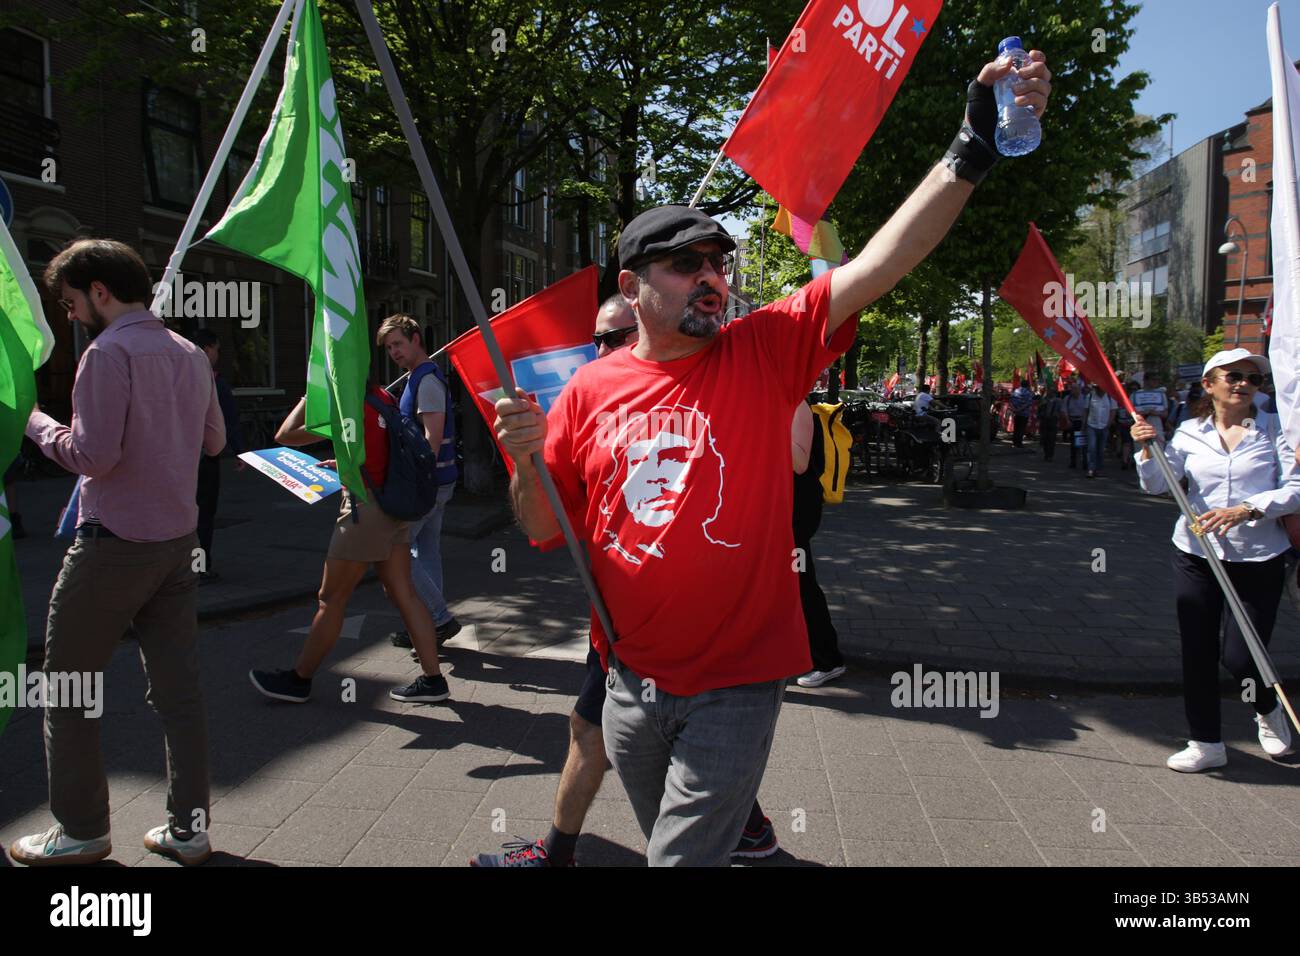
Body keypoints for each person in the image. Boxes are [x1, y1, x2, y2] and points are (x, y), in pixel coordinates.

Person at [494, 52, 1052, 865]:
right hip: (628, 683)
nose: (712, 279)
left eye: (718, 262)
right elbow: (546, 526)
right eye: (687, 265)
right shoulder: (585, 391)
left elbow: (879, 265)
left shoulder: (764, 349)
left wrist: (969, 148)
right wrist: (523, 459)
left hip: (737, 682)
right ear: (633, 283)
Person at [11, 239, 224, 866]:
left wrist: (34, 421)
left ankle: (81, 830)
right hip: (177, 546)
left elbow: (91, 457)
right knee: (179, 695)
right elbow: (214, 443)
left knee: (69, 686)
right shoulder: (189, 352)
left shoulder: (106, 355)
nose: (71, 315)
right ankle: (189, 830)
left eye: (72, 302)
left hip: (112, 548)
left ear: (100, 292)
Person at [1132, 349, 1300, 771]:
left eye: (1253, 378)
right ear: (1210, 384)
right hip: (1196, 552)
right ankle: (1206, 742)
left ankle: (1267, 708)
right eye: (1234, 376)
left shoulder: (1276, 431)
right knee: (1198, 649)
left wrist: (1248, 508)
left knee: (1242, 657)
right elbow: (1156, 486)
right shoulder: (1189, 431)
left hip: (1259, 555)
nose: (1244, 383)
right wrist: (1148, 448)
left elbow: (1295, 487)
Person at [249, 386, 451, 705]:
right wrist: (344, 463)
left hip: (364, 509)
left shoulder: (346, 401)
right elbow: (377, 449)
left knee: (331, 598)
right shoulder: (381, 396)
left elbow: (285, 434)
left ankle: (298, 681)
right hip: (392, 504)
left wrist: (310, 392)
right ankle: (433, 680)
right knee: (404, 594)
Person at [374, 314, 462, 650]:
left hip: (429, 484)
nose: (393, 351)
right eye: (389, 347)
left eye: (398, 343)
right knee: (426, 551)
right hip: (437, 481)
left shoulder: (426, 382)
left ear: (415, 339)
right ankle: (426, 624)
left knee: (396, 551)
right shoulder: (416, 378)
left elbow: (431, 441)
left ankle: (438, 618)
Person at [792, 400, 845, 688]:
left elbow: (799, 463)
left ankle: (828, 659)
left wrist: (763, 425)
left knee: (800, 583)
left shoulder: (798, 406)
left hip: (796, 510)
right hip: (776, 507)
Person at [192, 328, 245, 583]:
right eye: (216, 350)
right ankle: (199, 567)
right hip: (205, 459)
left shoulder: (176, 377)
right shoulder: (215, 383)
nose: (217, 355)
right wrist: (240, 451)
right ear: (208, 348)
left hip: (177, 461)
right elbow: (229, 421)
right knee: (203, 516)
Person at [1083, 382, 1116, 478]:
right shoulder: (1089, 397)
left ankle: (1099, 469)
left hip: (1104, 426)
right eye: (1097, 388)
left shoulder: (1111, 397)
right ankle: (1091, 469)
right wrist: (1083, 424)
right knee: (1091, 448)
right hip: (1091, 426)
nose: (1100, 390)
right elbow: (1085, 411)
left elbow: (1113, 412)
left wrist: (1109, 424)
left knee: (1101, 449)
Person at [1063, 380, 1087, 469]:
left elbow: (1086, 411)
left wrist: (1084, 422)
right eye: (1072, 389)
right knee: (1073, 443)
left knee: (1084, 443)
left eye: (1075, 389)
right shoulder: (1067, 399)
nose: (1073, 391)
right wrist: (1068, 420)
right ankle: (1073, 461)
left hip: (1082, 422)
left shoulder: (1084, 398)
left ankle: (1085, 462)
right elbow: (1064, 411)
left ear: (1079, 389)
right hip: (1072, 422)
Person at [1037, 385, 1061, 462]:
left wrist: (1058, 420)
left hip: (1053, 421)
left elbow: (1060, 412)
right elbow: (1039, 410)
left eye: (1051, 391)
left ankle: (1050, 455)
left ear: (1054, 393)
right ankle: (1046, 453)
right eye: (1049, 391)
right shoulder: (1044, 400)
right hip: (1044, 420)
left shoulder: (1058, 401)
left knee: (1052, 439)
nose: (1050, 393)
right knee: (1044, 438)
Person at [1010, 379, 1033, 448]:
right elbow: (1028, 403)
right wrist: (1019, 409)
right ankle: (1019, 443)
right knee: (1021, 428)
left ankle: (1014, 442)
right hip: (1024, 413)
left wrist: (1015, 409)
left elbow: (1011, 401)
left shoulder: (1016, 391)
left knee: (1016, 428)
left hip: (1016, 413)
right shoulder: (1028, 393)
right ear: (1027, 385)